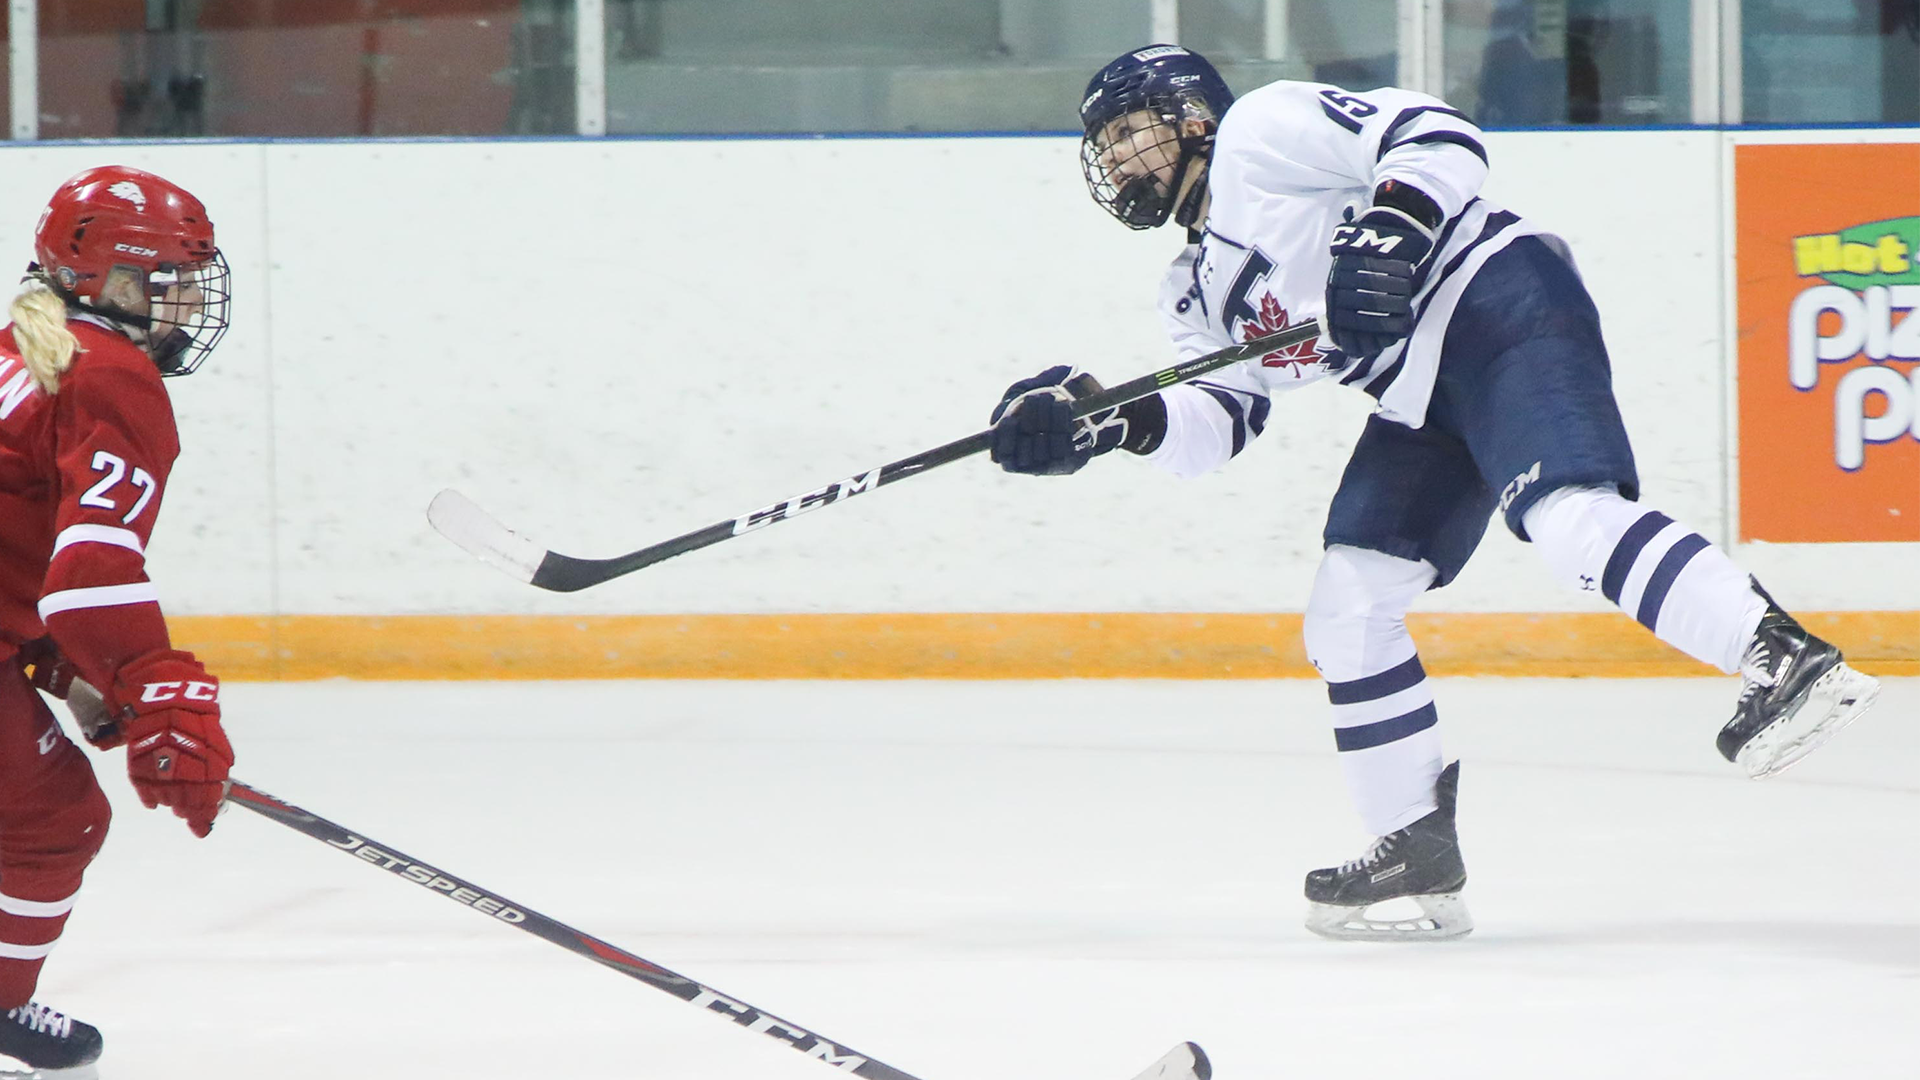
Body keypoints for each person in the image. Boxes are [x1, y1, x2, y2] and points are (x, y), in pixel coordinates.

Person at [986, 46, 1880, 941]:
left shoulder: (1261, 130)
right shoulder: (1192, 291)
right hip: (1419, 395)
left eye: (1127, 132)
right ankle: (1413, 843)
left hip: (1497, 302)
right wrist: (1109, 423)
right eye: (1105, 145)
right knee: (1348, 608)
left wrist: (1393, 227)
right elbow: (1220, 417)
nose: (1115, 159)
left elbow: (1435, 134)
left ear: (1191, 117)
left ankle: (1778, 654)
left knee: (1567, 518)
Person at [0, 165, 236, 1072]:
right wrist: (163, 693)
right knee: (52, 822)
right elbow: (89, 576)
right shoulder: (111, 376)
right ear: (116, 282)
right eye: (172, 284)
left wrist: (63, 664)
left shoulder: (22, 349)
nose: (189, 307)